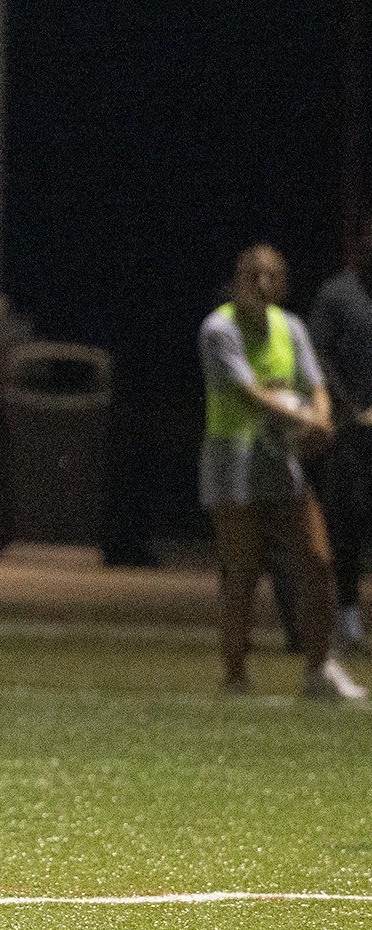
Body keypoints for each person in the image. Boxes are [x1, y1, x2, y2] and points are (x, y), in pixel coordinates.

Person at [199, 243, 363, 700]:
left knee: (317, 561)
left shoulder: (290, 327)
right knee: (242, 572)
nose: (263, 284)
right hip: (232, 465)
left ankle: (318, 671)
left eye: (273, 276)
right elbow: (250, 394)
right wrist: (305, 419)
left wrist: (323, 416)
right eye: (254, 275)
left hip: (278, 463)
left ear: (283, 284)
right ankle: (235, 677)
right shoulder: (219, 329)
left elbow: (315, 385)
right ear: (237, 279)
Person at [311, 213, 372, 651]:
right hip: (351, 435)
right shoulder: (338, 295)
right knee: (346, 524)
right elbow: (318, 357)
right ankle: (348, 617)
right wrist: (351, 410)